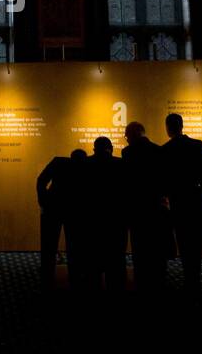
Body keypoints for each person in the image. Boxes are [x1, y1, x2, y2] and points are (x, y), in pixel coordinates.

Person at [162, 113, 202, 305]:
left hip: (177, 202)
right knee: (195, 243)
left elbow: (164, 179)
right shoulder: (197, 145)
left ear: (168, 128)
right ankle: (194, 279)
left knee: (183, 240)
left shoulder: (166, 149)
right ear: (182, 126)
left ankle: (188, 278)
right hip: (194, 200)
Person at [122, 122, 170, 293]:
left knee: (139, 246)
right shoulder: (159, 150)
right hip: (156, 206)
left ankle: (141, 281)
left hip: (136, 207)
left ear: (133, 134)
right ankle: (159, 279)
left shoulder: (127, 153)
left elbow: (127, 182)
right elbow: (165, 179)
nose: (126, 139)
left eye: (126, 135)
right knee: (156, 245)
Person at [37, 149, 87, 289]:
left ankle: (47, 275)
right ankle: (74, 276)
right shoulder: (86, 166)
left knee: (49, 243)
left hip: (53, 208)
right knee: (74, 245)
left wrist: (44, 200)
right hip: (75, 211)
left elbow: (41, 180)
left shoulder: (58, 162)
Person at [82, 137, 127, 292]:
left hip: (92, 219)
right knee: (116, 259)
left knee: (92, 258)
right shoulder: (121, 164)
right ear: (111, 148)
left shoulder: (85, 164)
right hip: (116, 219)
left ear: (94, 149)